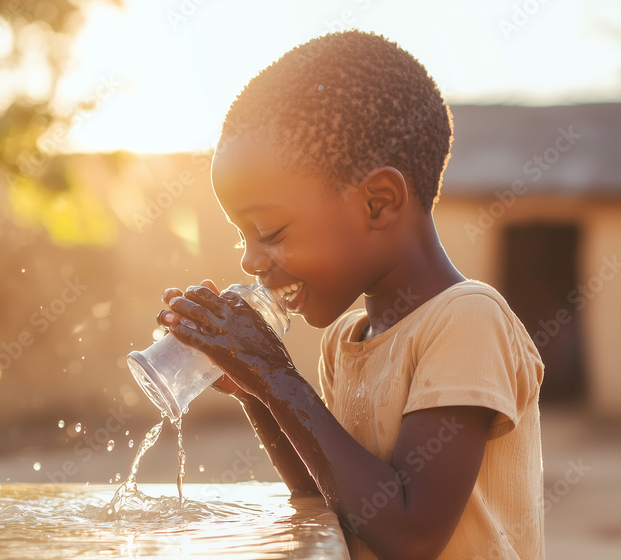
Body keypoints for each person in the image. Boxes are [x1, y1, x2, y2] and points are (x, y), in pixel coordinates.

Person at [157, 31, 544, 560]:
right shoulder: (348, 338)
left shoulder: (467, 320)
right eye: (242, 237)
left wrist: (275, 376)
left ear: (378, 203)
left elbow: (410, 535)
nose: (249, 260)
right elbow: (331, 502)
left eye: (269, 232)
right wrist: (256, 391)